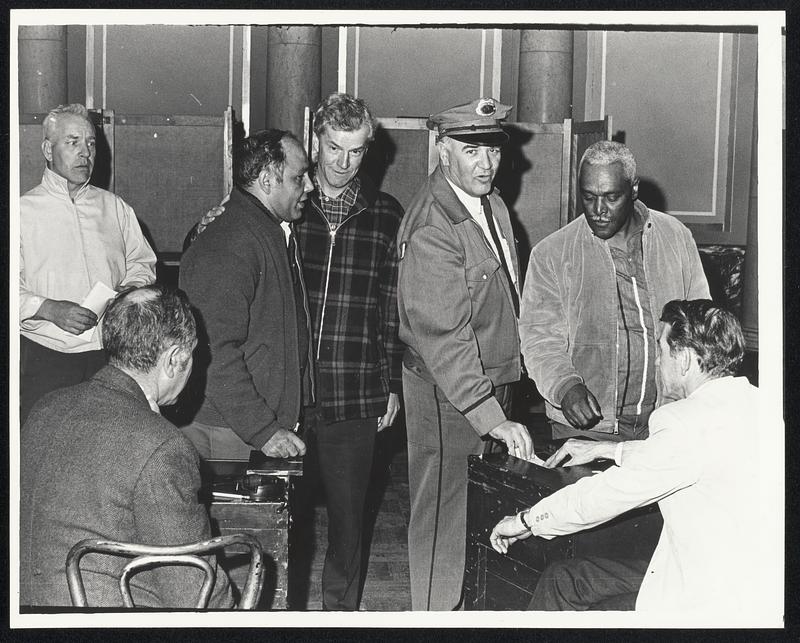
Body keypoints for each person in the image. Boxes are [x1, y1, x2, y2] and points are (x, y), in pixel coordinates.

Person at [189, 93, 405, 611]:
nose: (342, 163)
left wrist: (391, 383)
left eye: (356, 152)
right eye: (333, 148)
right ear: (316, 142)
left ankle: (340, 615)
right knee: (279, 519)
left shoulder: (387, 214)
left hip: (354, 392)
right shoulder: (285, 209)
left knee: (350, 522)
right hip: (284, 396)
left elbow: (391, 308)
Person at [491, 299, 758, 613]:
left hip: (706, 595)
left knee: (571, 590)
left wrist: (526, 520)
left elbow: (602, 497)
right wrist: (606, 449)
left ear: (684, 359)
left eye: (660, 349)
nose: (657, 362)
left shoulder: (681, 420)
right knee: (566, 579)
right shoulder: (756, 403)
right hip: (750, 581)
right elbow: (692, 455)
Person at [397, 97, 533, 610]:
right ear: (442, 151)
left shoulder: (491, 203)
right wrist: (490, 417)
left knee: (479, 514)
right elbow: (445, 339)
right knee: (443, 519)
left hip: (491, 385)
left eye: (493, 150)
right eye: (471, 150)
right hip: (451, 394)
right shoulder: (433, 224)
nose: (485, 163)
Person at [20, 285, 232, 608]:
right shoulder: (162, 445)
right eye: (191, 357)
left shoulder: (45, 408)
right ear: (174, 359)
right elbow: (194, 593)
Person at [519, 140, 710, 442]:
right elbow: (539, 340)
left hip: (667, 424)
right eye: (589, 196)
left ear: (633, 190)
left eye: (611, 197)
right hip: (587, 431)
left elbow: (701, 327)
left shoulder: (675, 237)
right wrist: (566, 386)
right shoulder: (551, 254)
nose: (598, 211)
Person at [179, 129, 312, 460]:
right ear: (267, 180)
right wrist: (262, 429)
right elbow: (214, 350)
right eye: (299, 178)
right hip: (230, 429)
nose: (310, 186)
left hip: (244, 425)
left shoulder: (263, 228)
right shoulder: (233, 241)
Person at [19, 103, 156, 422]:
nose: (85, 153)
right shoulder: (21, 213)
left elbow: (143, 264)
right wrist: (50, 309)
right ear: (47, 149)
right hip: (46, 358)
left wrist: (127, 291)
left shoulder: (115, 207)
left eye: (91, 143)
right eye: (72, 142)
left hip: (111, 358)